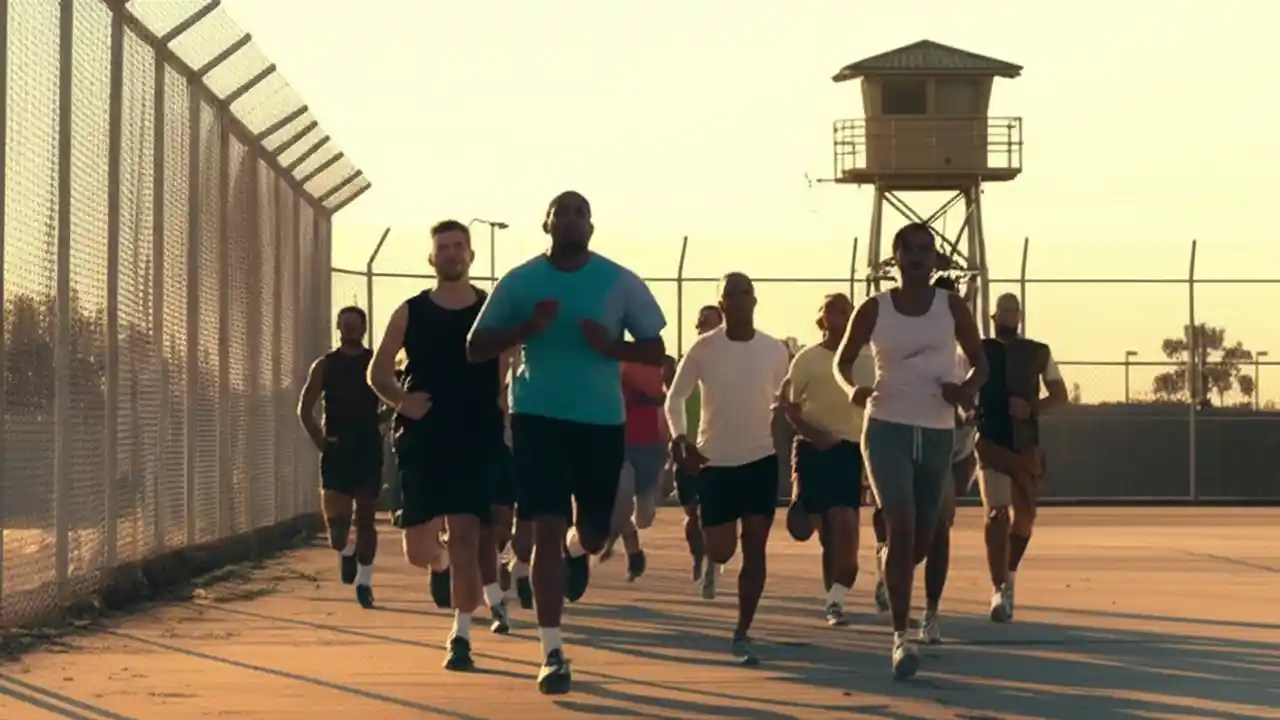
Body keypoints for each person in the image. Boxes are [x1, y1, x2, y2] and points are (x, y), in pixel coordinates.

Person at [467, 190, 666, 695]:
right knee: (547, 527)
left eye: (581, 212)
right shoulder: (521, 282)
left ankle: (582, 551)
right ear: (547, 223)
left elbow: (655, 349)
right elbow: (475, 346)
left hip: (600, 421)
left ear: (591, 228)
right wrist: (527, 328)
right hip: (538, 417)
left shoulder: (619, 281)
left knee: (594, 534)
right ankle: (552, 652)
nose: (573, 219)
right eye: (564, 211)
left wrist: (611, 347)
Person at [833, 223, 987, 680]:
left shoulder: (951, 307)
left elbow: (982, 363)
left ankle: (888, 565)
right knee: (902, 525)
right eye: (910, 249)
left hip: (937, 429)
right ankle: (901, 638)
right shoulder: (875, 308)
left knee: (922, 539)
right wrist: (853, 390)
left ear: (935, 258)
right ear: (895, 257)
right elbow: (843, 361)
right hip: (886, 428)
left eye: (926, 249)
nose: (918, 256)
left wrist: (965, 391)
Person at [368, 219, 511, 671]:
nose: (452, 253)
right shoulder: (411, 311)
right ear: (433, 258)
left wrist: (504, 409)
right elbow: (379, 371)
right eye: (443, 247)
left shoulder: (491, 312)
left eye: (459, 246)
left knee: (469, 536)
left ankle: (461, 635)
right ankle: (440, 563)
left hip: (476, 435)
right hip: (424, 437)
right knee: (418, 549)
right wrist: (400, 400)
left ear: (471, 255)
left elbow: (508, 369)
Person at [665, 273, 789, 666]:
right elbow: (675, 398)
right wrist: (681, 437)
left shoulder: (774, 350)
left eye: (743, 294)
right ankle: (708, 544)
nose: (737, 301)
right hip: (714, 461)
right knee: (721, 550)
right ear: (721, 304)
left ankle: (742, 630)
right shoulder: (703, 349)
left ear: (755, 300)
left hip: (760, 460)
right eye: (729, 295)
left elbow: (783, 403)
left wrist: (787, 450)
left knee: (755, 545)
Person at [777, 293, 874, 627]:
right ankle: (832, 593)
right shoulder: (806, 360)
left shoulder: (868, 358)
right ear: (821, 319)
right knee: (824, 533)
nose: (838, 315)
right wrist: (813, 433)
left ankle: (836, 600)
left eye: (845, 310)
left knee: (845, 525)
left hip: (851, 451)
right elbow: (788, 407)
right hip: (812, 451)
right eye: (831, 310)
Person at [975, 292, 1067, 622]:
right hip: (991, 442)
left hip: (1026, 445)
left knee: (1024, 519)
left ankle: (1009, 575)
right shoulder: (979, 349)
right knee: (997, 514)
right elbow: (961, 387)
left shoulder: (1038, 352)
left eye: (1014, 311)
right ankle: (998, 589)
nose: (1009, 316)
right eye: (1004, 311)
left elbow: (1059, 394)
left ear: (1020, 316)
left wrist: (1031, 409)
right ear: (993, 315)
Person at [298, 307, 384, 609]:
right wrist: (321, 441)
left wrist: (380, 420)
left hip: (367, 449)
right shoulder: (325, 365)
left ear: (363, 327)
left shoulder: (375, 363)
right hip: (337, 450)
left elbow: (394, 397)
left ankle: (364, 580)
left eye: (355, 324)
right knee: (336, 531)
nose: (350, 329)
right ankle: (346, 551)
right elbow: (304, 408)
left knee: (365, 518)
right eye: (345, 324)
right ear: (338, 327)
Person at [918, 274, 981, 645]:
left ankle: (930, 612)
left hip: (950, 446)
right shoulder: (902, 341)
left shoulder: (963, 358)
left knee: (940, 525)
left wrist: (966, 406)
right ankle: (889, 563)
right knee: (907, 531)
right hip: (902, 440)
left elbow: (971, 396)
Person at [671, 304, 724, 595]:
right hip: (687, 448)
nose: (707, 328)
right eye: (702, 323)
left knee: (714, 514)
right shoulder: (687, 362)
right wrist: (677, 439)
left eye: (714, 324)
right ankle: (697, 557)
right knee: (693, 514)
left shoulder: (730, 364)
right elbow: (672, 403)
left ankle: (712, 570)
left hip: (717, 448)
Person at [600, 360, 668, 582]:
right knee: (621, 501)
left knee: (644, 518)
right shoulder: (611, 377)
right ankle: (630, 553)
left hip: (651, 449)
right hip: (623, 447)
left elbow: (661, 402)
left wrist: (667, 448)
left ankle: (632, 548)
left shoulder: (653, 376)